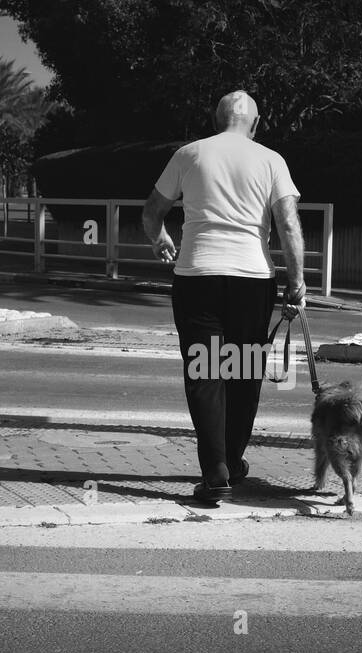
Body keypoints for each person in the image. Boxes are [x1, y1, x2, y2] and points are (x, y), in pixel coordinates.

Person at [142, 90, 306, 503]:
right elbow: (287, 223)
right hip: (252, 278)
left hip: (197, 274)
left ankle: (215, 470)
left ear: (217, 120)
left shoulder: (189, 154)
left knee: (205, 371)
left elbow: (151, 212)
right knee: (244, 370)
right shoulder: (271, 160)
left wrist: (160, 238)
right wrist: (297, 280)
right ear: (255, 122)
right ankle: (232, 461)